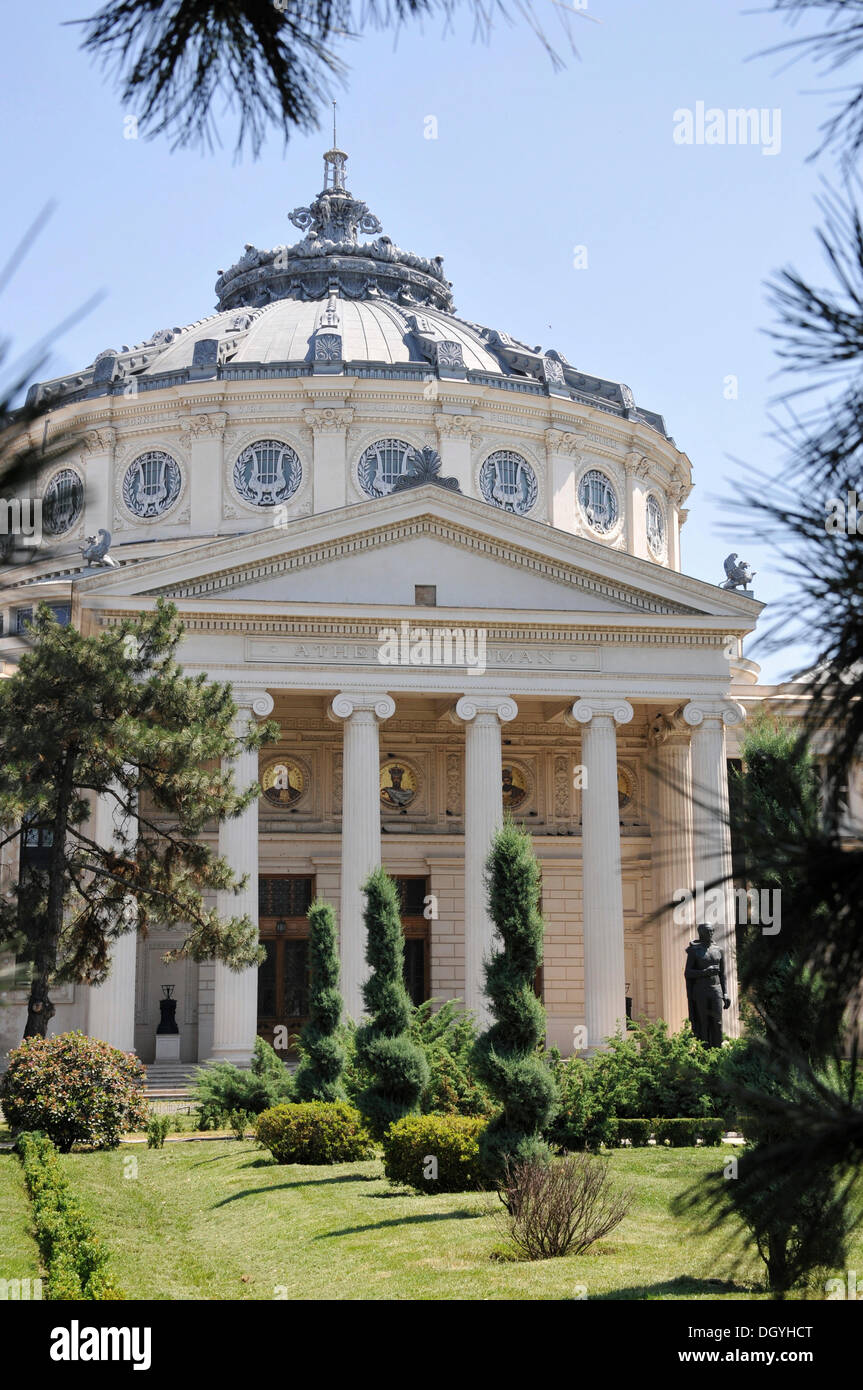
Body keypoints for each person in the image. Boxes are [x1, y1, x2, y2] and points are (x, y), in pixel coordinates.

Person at [684, 922, 730, 1047]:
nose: (710, 934)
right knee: (703, 1022)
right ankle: (704, 1052)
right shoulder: (694, 951)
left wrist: (725, 993)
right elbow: (688, 973)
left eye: (711, 931)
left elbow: (722, 975)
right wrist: (704, 972)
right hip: (701, 991)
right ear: (701, 934)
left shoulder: (719, 950)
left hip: (716, 990)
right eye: (707, 932)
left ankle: (717, 1050)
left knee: (717, 1022)